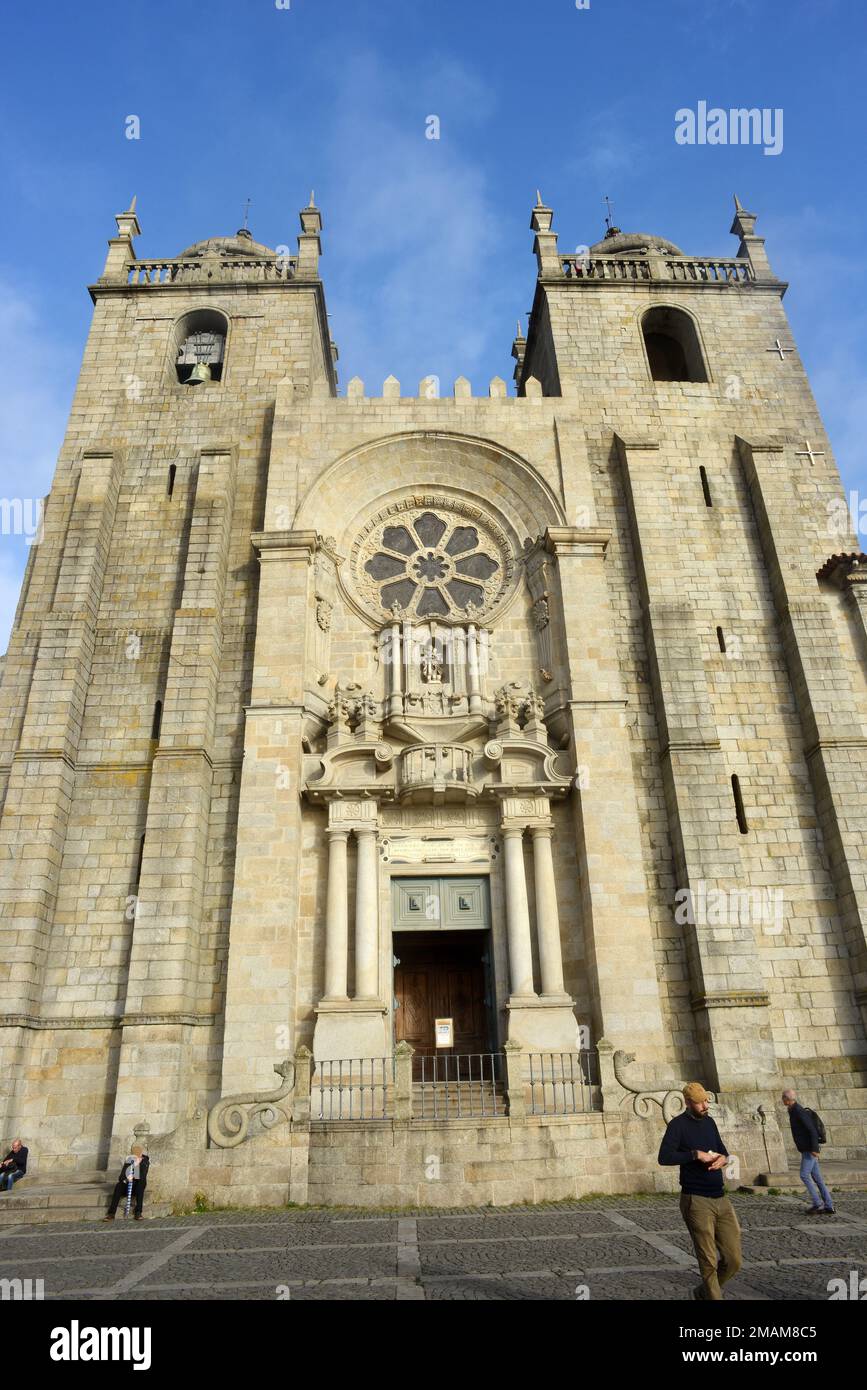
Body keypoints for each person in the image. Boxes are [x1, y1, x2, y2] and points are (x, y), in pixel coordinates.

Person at [658, 1081, 742, 1301]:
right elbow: (664, 1157)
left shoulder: (710, 1123)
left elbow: (723, 1151)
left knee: (734, 1260)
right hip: (696, 1200)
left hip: (721, 1198)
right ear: (687, 1102)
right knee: (708, 1261)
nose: (705, 1105)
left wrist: (723, 1159)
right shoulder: (677, 1126)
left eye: (706, 1100)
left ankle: (703, 1293)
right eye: (700, 1102)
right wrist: (695, 1154)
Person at [781, 1089, 834, 1215]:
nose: (782, 1100)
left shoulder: (798, 1111)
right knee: (817, 1178)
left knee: (804, 1175)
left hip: (809, 1150)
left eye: (782, 1098)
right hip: (807, 1148)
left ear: (787, 1099)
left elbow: (812, 1130)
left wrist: (815, 1149)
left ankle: (818, 1204)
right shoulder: (793, 1110)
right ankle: (829, 1205)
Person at [103, 1145, 150, 1221]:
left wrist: (136, 1166)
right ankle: (111, 1213)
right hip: (128, 1185)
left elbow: (142, 1176)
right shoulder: (129, 1160)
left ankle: (138, 1212)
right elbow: (121, 1177)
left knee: (140, 1184)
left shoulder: (145, 1162)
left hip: (137, 1186)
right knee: (119, 1186)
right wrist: (127, 1178)